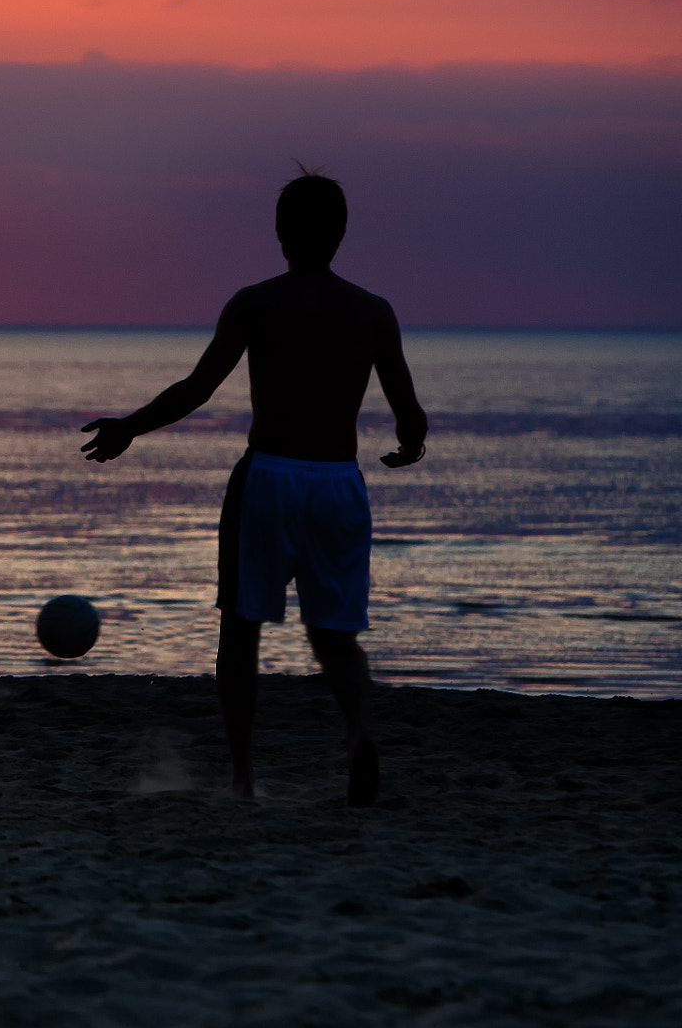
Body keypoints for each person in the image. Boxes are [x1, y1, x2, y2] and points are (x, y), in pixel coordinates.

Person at [80, 171, 426, 807]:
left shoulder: (256, 303)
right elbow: (409, 411)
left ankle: (241, 778)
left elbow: (197, 388)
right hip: (338, 483)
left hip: (268, 476)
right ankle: (357, 738)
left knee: (240, 631)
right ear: (342, 234)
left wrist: (129, 426)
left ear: (279, 234)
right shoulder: (373, 312)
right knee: (336, 635)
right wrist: (410, 444)